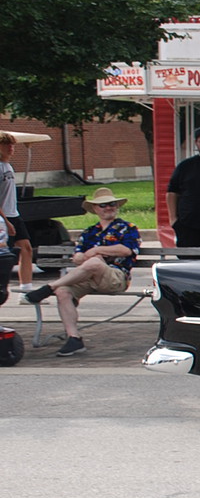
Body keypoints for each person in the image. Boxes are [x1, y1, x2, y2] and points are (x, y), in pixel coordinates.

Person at [23, 187, 140, 357]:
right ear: (95, 209)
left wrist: (97, 251)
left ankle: (49, 287)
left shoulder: (127, 228)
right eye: (103, 205)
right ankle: (74, 338)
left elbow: (127, 250)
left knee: (94, 261)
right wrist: (80, 257)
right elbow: (77, 255)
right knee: (63, 291)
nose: (108, 207)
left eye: (112, 204)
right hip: (88, 278)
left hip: (115, 277)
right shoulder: (89, 232)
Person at [0, 132, 37, 293]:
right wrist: (6, 222)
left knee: (26, 248)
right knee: (5, 256)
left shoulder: (7, 166)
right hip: (3, 217)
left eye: (12, 145)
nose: (11, 148)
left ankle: (26, 289)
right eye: (6, 145)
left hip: (13, 213)